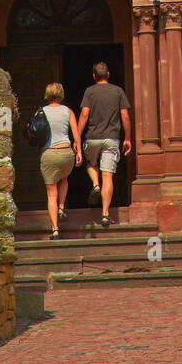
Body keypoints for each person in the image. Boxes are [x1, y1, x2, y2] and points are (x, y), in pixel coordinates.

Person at [77, 62, 131, 228]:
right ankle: (106, 213)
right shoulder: (118, 91)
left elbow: (84, 114)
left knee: (90, 163)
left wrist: (77, 137)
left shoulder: (90, 91)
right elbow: (125, 116)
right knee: (108, 175)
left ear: (94, 76)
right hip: (112, 138)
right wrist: (127, 137)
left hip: (92, 137)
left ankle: (95, 184)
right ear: (108, 75)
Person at [39, 83, 82, 239]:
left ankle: (55, 230)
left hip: (49, 152)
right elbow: (75, 132)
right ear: (61, 94)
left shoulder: (41, 112)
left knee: (51, 193)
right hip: (66, 153)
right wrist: (79, 151)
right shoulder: (68, 111)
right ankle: (62, 207)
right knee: (64, 176)